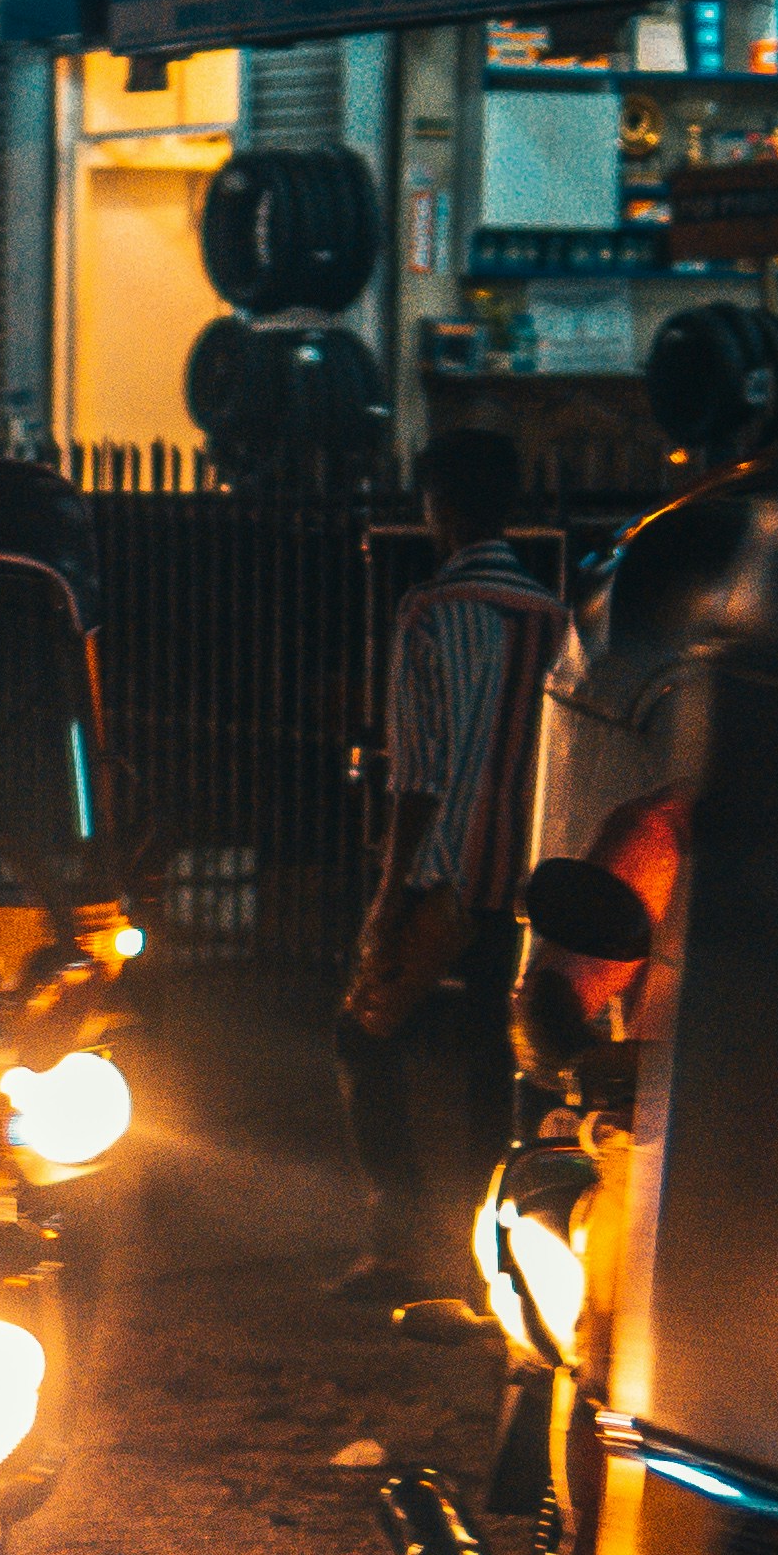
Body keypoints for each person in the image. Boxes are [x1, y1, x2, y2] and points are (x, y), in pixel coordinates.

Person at [333, 428, 566, 1295]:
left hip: (445, 880)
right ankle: (492, 1258)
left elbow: (419, 777)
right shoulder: (553, 617)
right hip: (527, 879)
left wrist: (388, 899)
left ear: (443, 506)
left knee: (362, 1032)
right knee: (495, 1064)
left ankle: (395, 1244)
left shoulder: (429, 611)